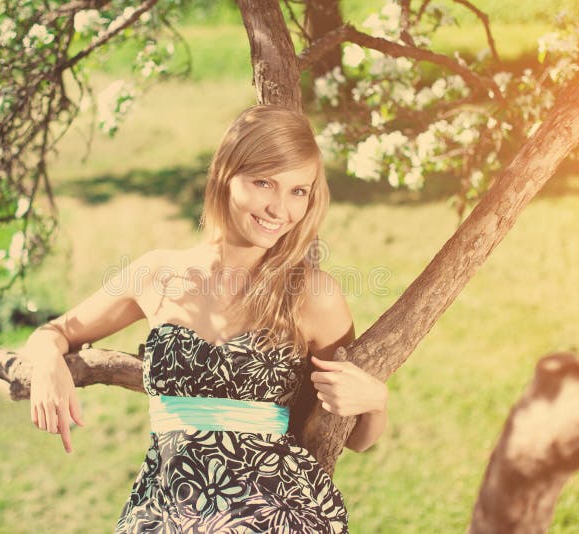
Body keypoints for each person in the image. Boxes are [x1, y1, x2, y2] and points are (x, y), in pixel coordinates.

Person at [21, 104, 389, 533]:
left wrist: (376, 402)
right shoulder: (157, 273)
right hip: (164, 509)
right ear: (226, 174)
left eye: (298, 191)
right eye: (264, 183)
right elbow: (56, 331)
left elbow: (354, 436)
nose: (279, 208)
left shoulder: (312, 294)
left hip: (270, 512)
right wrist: (47, 361)